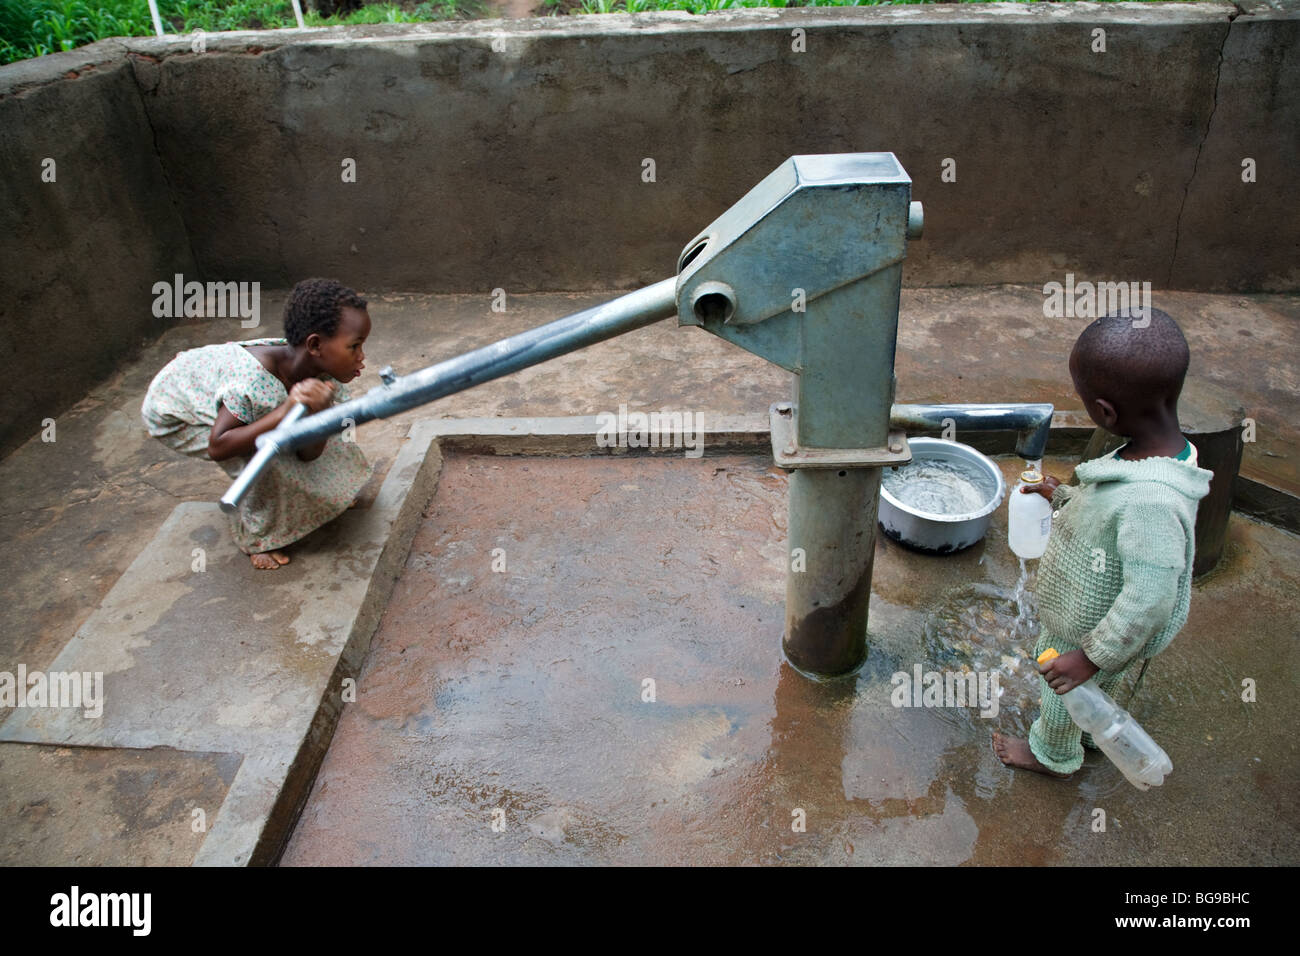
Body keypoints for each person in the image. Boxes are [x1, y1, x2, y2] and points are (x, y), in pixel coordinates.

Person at [994, 307, 1212, 776]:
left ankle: (1051, 755)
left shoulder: (1151, 499)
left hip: (1091, 628)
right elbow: (1111, 516)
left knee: (1061, 693)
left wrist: (1089, 658)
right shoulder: (1163, 453)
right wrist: (1065, 497)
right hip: (1099, 620)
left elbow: (1151, 596)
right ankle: (1095, 731)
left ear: (1105, 412)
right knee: (1098, 692)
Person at [141, 278, 373, 570]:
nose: (362, 357)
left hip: (227, 400)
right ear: (315, 344)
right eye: (354, 346)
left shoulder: (316, 373)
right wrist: (286, 411)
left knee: (325, 431)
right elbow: (220, 445)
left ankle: (327, 498)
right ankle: (258, 538)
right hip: (177, 412)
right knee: (266, 454)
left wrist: (318, 415)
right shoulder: (251, 382)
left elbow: (309, 453)